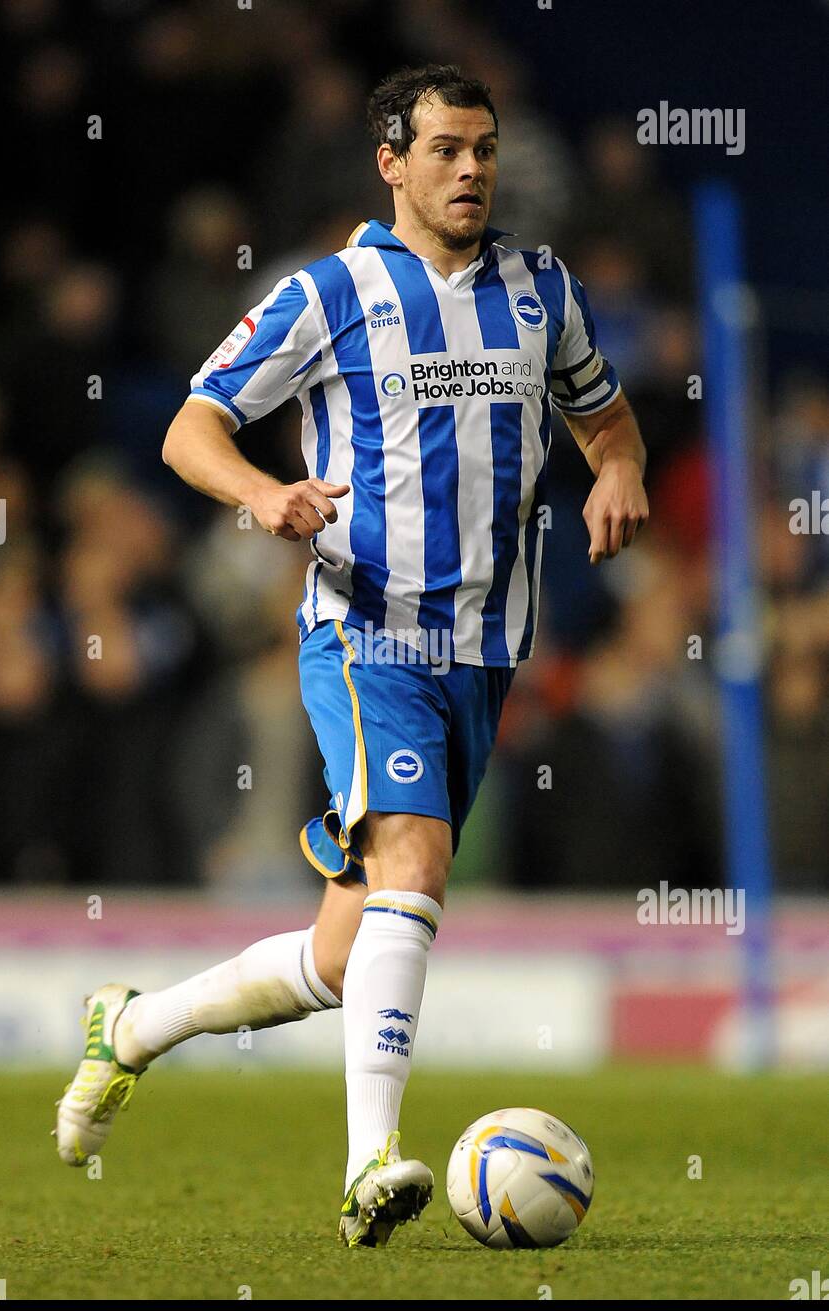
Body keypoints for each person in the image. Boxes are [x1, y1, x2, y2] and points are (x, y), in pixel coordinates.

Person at [55, 63, 648, 1249]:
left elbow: (602, 414)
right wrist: (263, 494)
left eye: (483, 148)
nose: (471, 169)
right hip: (363, 630)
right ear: (390, 161)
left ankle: (127, 1028)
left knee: (342, 953)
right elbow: (189, 428)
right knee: (415, 870)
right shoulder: (325, 293)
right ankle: (368, 1161)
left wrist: (619, 469)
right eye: (444, 149)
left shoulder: (542, 293)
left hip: (482, 652)